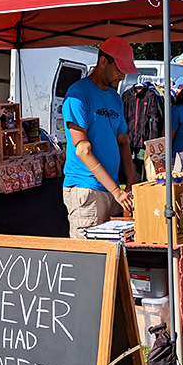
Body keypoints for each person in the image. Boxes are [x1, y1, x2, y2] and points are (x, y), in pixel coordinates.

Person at [62, 37, 139, 239]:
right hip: (86, 190)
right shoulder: (78, 94)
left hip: (112, 190)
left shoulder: (114, 97)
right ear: (103, 62)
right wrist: (116, 191)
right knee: (89, 260)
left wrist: (131, 178)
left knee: (113, 258)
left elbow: (122, 141)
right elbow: (82, 149)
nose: (122, 76)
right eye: (119, 70)